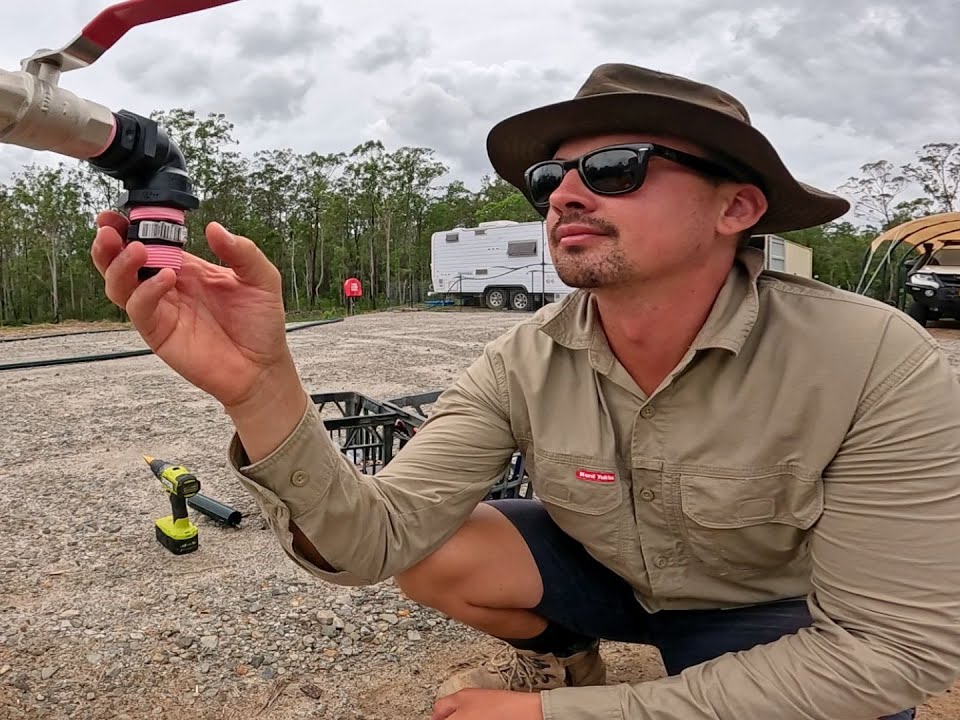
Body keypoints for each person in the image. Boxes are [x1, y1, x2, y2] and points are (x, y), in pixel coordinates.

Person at [91, 63, 960, 719]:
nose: (564, 195)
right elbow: (373, 543)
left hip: (770, 613)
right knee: (438, 549)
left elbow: (894, 649)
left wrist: (561, 717)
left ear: (736, 210)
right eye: (549, 180)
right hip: (615, 578)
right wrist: (261, 387)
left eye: (617, 167)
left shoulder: (868, 356)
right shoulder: (522, 356)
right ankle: (572, 651)